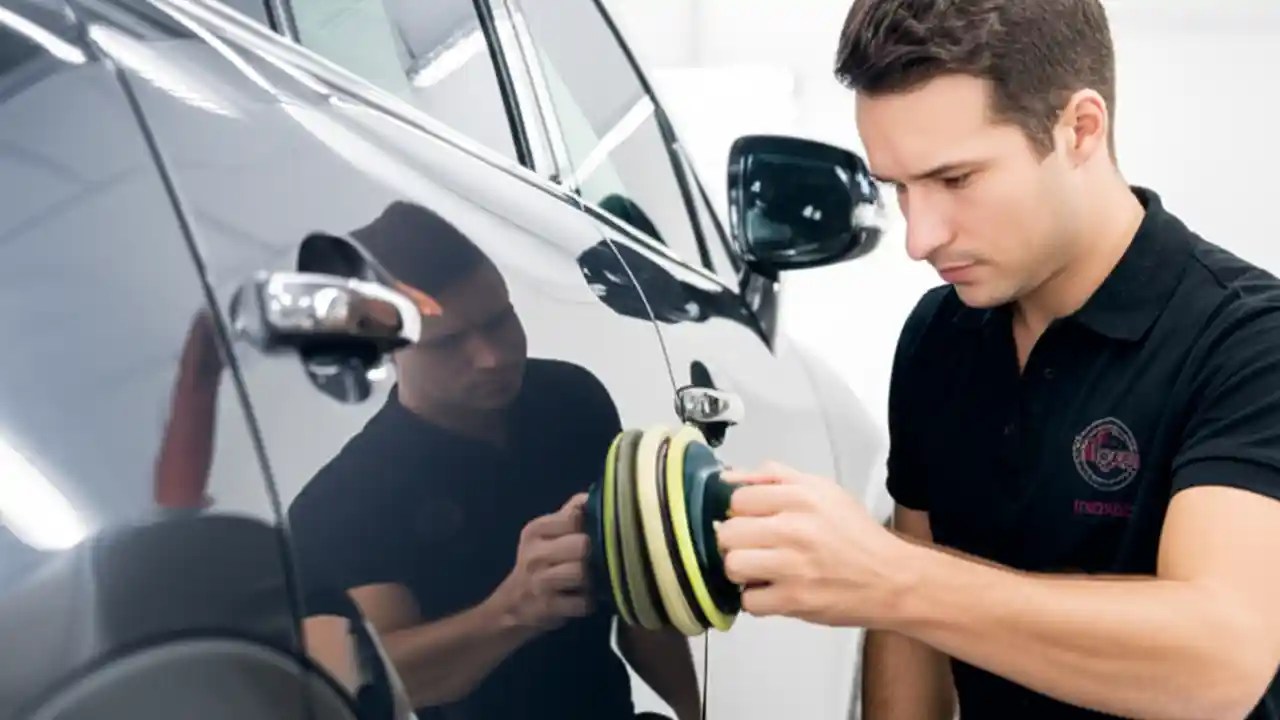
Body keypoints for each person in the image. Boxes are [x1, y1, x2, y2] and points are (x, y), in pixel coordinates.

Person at [713, 1, 1280, 719]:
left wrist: (885, 573)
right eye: (899, 188)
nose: (919, 237)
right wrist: (891, 582)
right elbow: (910, 641)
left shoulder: (1247, 340)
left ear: (1079, 129)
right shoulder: (938, 337)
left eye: (956, 181)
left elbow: (1219, 663)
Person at [286, 201, 701, 720]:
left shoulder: (573, 399)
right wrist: (513, 611)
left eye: (499, 319)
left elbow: (638, 600)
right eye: (448, 342)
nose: (493, 356)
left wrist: (692, 710)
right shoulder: (343, 504)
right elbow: (380, 681)